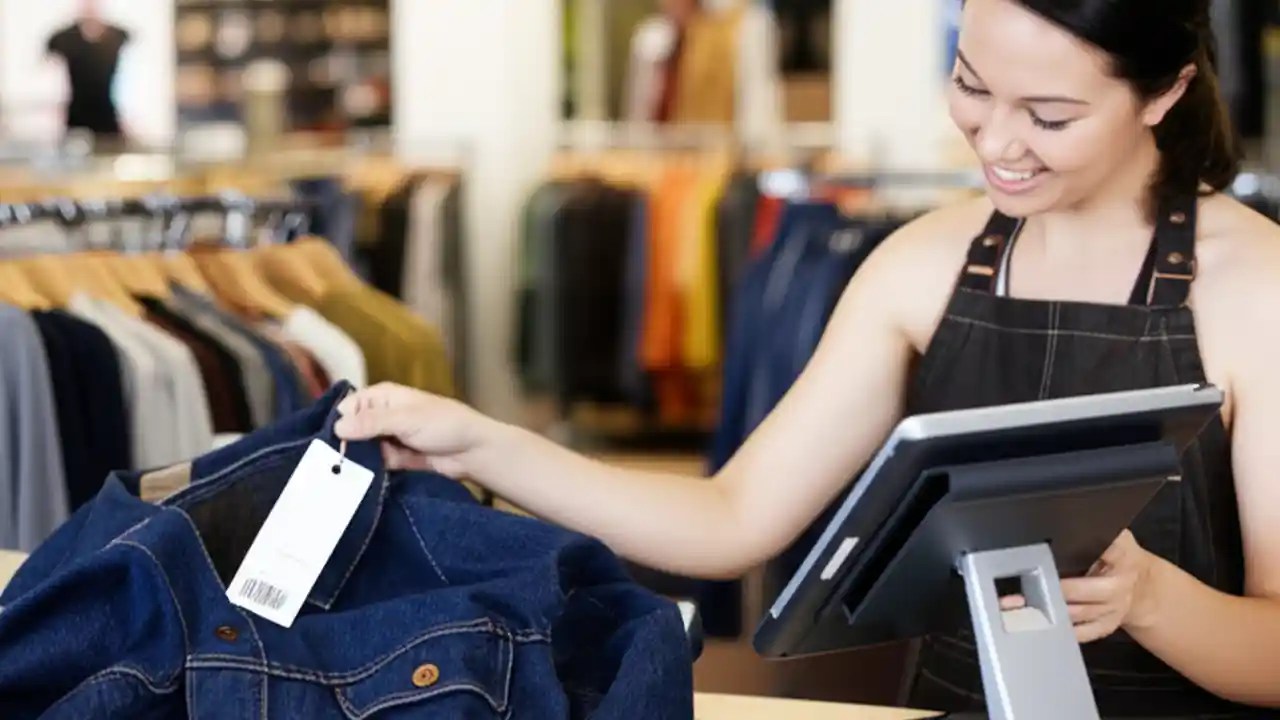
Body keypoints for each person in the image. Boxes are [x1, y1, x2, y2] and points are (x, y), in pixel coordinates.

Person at [336, 0, 1280, 715]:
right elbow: (731, 516)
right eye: (972, 86)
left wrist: (1152, 597)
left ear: (1166, 92)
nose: (995, 141)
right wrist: (478, 445)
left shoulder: (1257, 289)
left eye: (1049, 115)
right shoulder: (923, 261)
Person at [45, 0, 130, 146]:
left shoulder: (116, 36)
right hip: (77, 113)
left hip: (107, 113)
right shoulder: (65, 39)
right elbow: (48, 70)